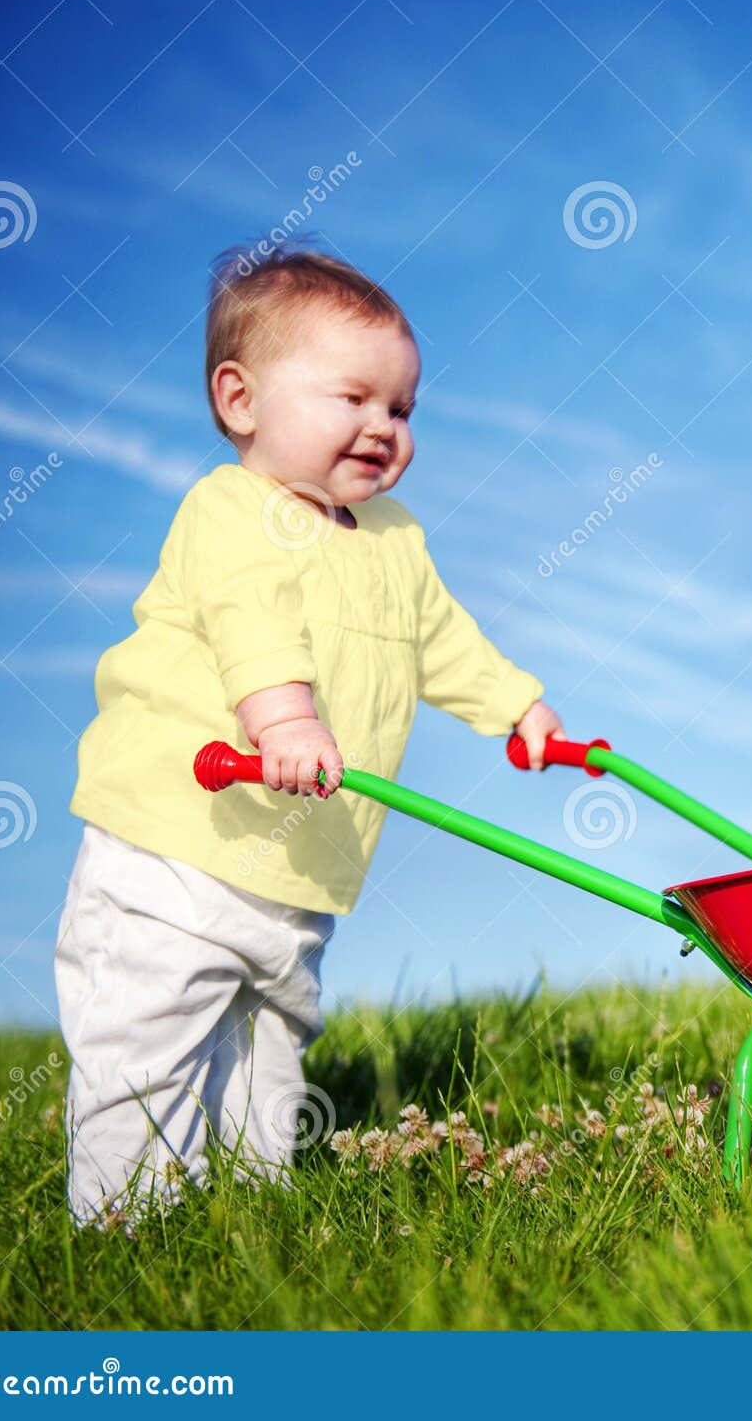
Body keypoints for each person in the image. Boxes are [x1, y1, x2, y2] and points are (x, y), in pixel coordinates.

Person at [58, 245, 565, 1223]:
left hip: (297, 875)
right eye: (355, 398)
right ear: (240, 400)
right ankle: (125, 1230)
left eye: (404, 409)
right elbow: (251, 618)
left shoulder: (395, 539)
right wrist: (283, 715)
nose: (384, 426)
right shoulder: (231, 509)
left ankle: (251, 1208)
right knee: (147, 1038)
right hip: (177, 848)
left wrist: (517, 706)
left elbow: (444, 641)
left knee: (267, 1048)